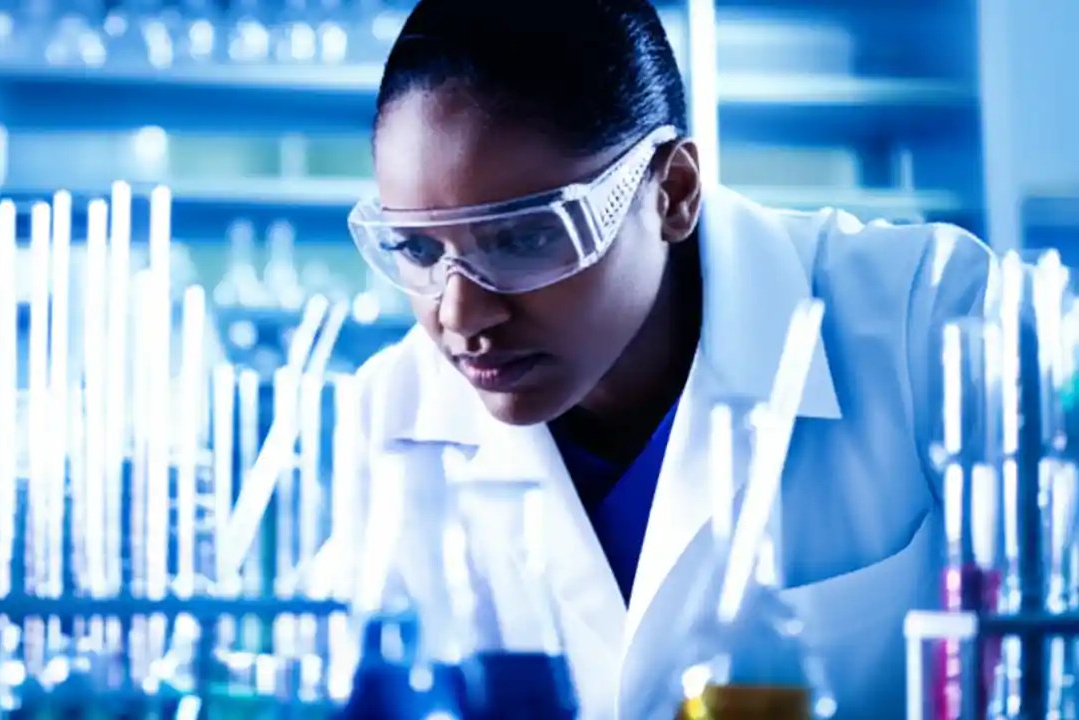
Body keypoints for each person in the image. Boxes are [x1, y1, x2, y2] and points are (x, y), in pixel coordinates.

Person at [339, 0, 995, 718]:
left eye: (523, 239)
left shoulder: (929, 321)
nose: (459, 315)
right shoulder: (394, 410)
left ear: (673, 191)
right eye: (418, 249)